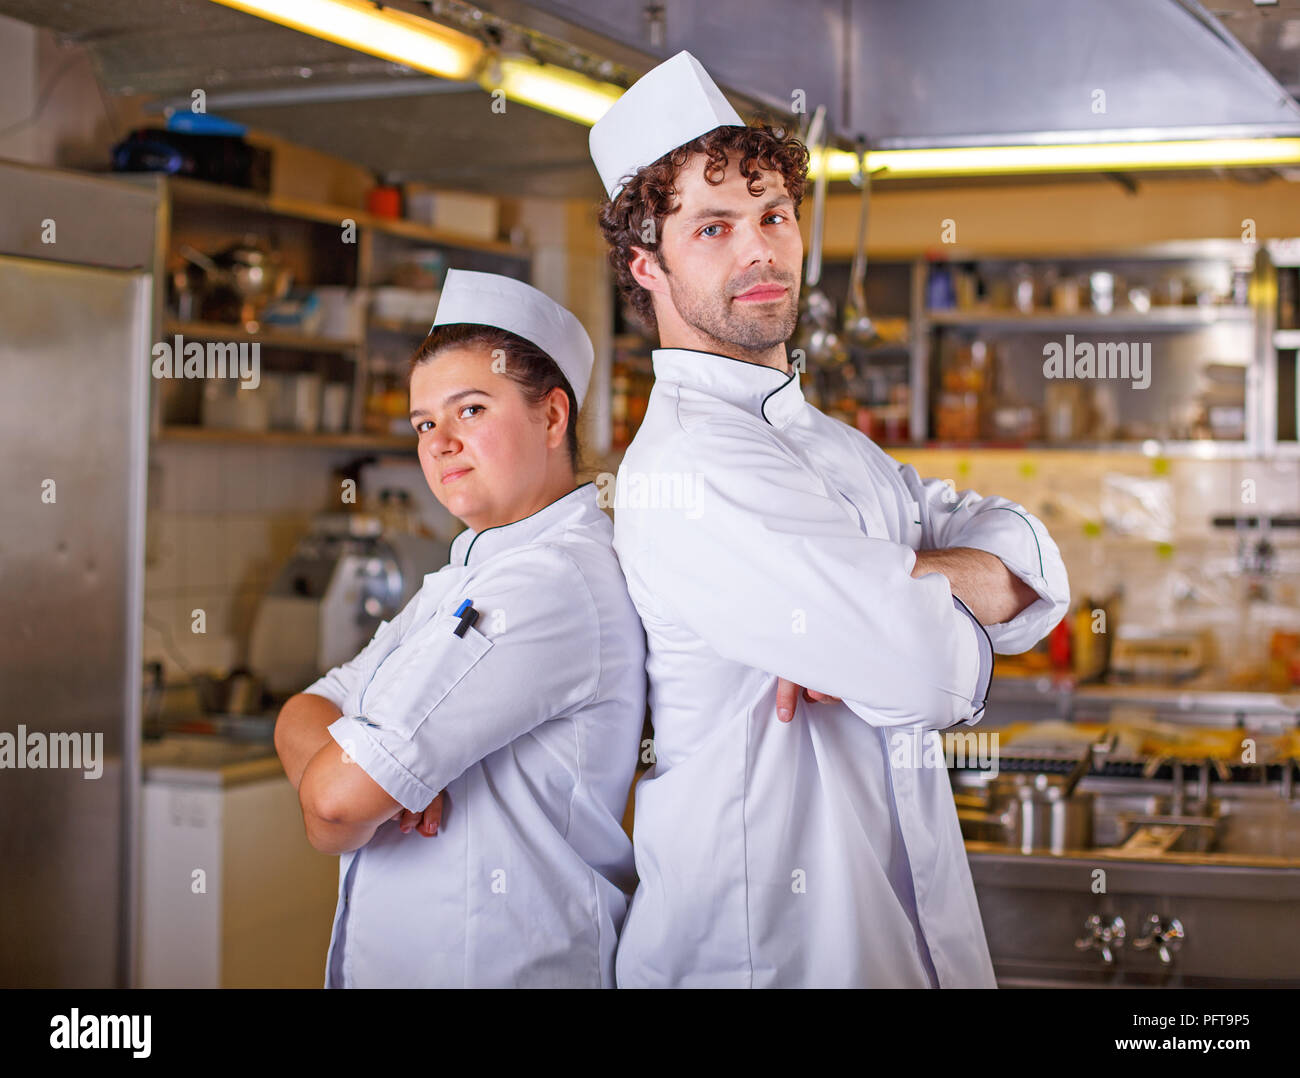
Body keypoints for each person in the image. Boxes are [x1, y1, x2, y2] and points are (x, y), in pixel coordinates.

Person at [589, 51, 1070, 987]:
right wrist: (899, 607)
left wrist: (907, 589)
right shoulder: (691, 466)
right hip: (766, 950)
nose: (759, 251)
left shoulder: (837, 447)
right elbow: (927, 671)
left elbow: (1026, 556)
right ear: (647, 263)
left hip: (882, 933)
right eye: (714, 227)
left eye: (774, 216)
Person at [273, 269, 646, 987]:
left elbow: (331, 803)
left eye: (470, 410)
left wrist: (357, 791)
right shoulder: (465, 576)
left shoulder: (548, 582)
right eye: (423, 423)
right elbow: (306, 709)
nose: (439, 443)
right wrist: (376, 779)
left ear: (551, 416)